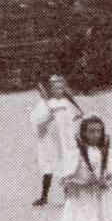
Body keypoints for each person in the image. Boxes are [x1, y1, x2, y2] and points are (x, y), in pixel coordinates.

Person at [31, 75, 81, 206]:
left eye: (61, 88)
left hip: (65, 141)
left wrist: (76, 117)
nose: (59, 90)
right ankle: (44, 196)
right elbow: (36, 121)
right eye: (55, 88)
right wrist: (48, 117)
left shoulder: (67, 103)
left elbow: (73, 119)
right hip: (50, 141)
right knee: (48, 167)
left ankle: (68, 196)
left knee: (66, 166)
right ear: (50, 90)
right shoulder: (44, 104)